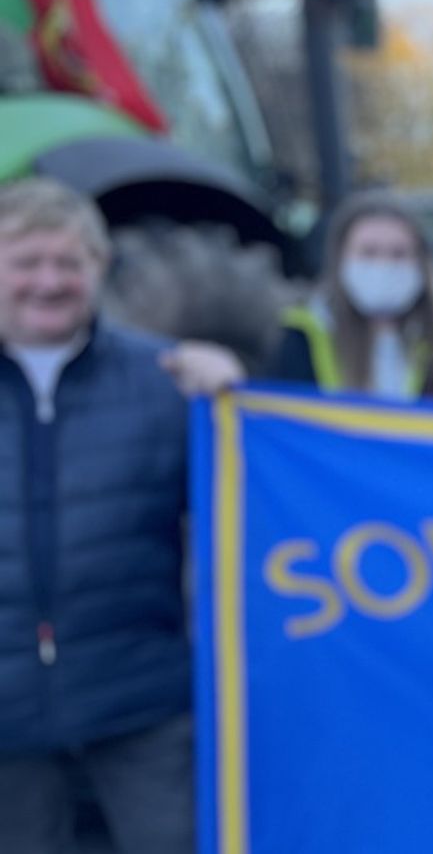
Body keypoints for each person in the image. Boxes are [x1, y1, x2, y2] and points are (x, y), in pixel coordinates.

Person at [0, 178, 243, 853]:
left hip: (141, 705)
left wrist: (234, 404)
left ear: (99, 269)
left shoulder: (167, 384)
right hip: (8, 721)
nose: (48, 282)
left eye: (68, 263)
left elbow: (253, 508)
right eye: (26, 262)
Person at [269, 190, 433, 400]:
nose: (384, 266)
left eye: (399, 254)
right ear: (340, 260)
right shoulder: (304, 339)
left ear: (421, 263)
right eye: (368, 252)